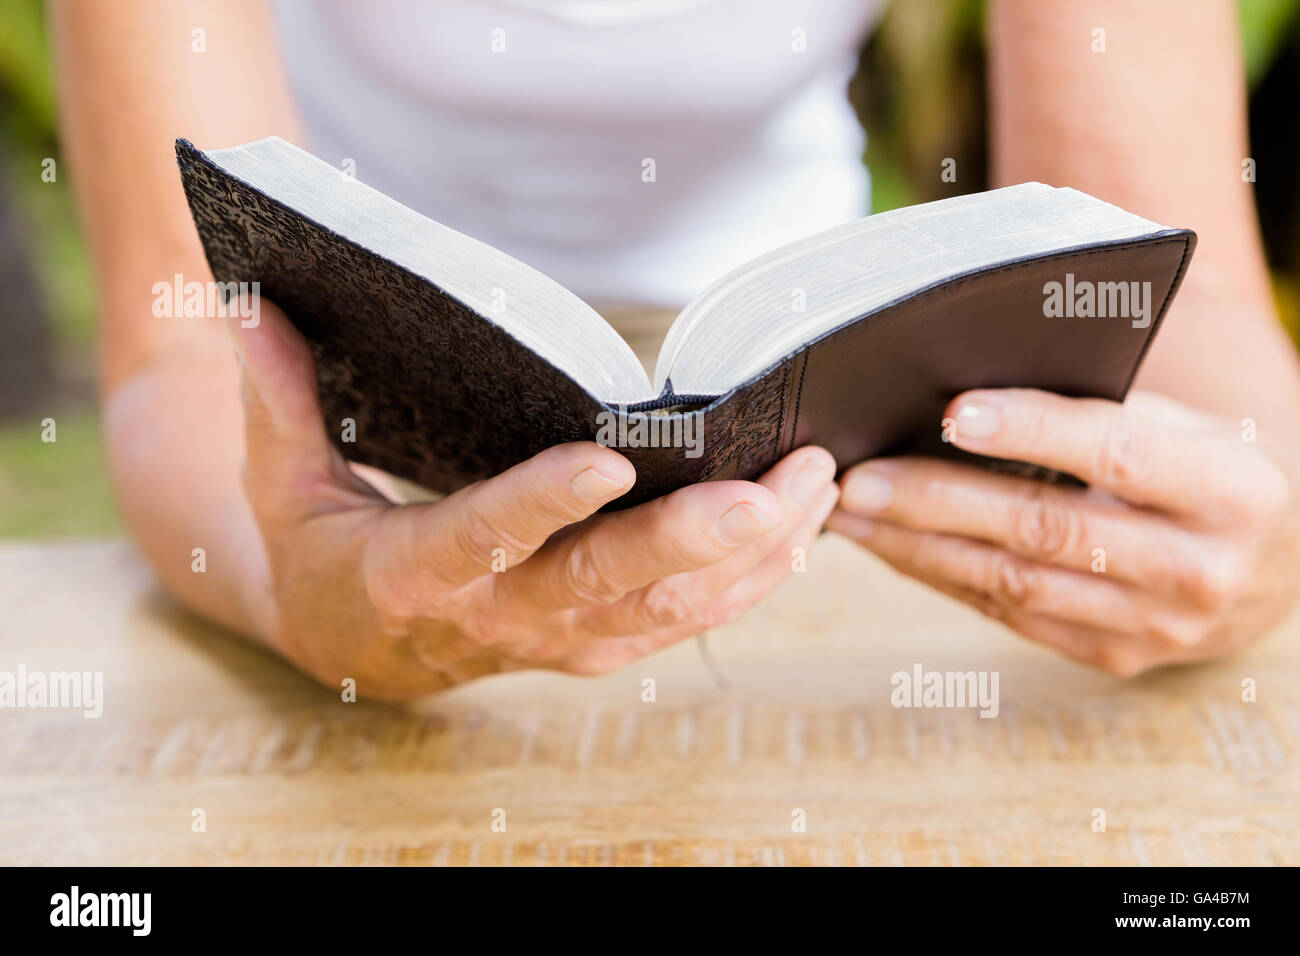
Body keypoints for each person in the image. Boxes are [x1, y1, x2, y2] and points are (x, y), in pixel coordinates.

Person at [52, 0, 1300, 698]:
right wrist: (299, 598)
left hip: (792, 366)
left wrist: (1265, 532)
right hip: (362, 379)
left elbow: (1176, 304)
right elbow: (178, 346)